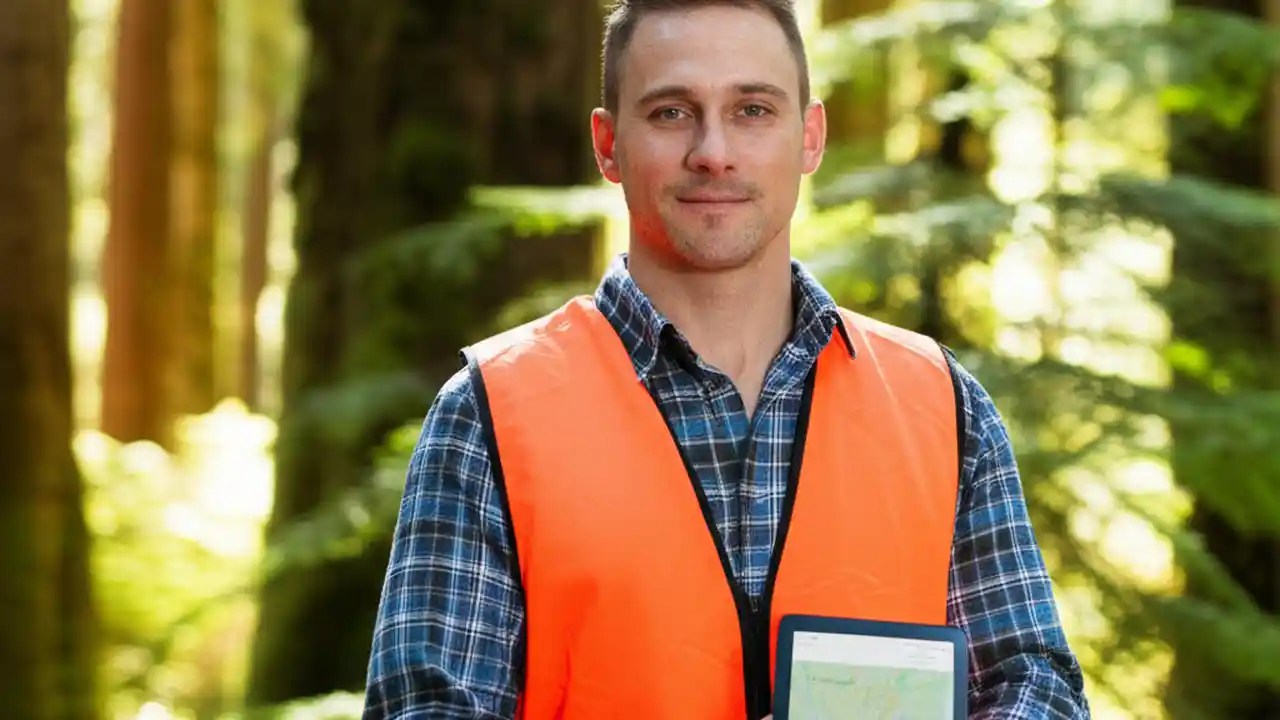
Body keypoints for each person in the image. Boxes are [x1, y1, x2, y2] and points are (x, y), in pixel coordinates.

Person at [362, 1, 1091, 718]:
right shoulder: (489, 415)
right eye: (672, 111)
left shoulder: (941, 407)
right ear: (608, 145)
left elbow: (1036, 687)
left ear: (810, 137)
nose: (714, 151)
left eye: (752, 110)